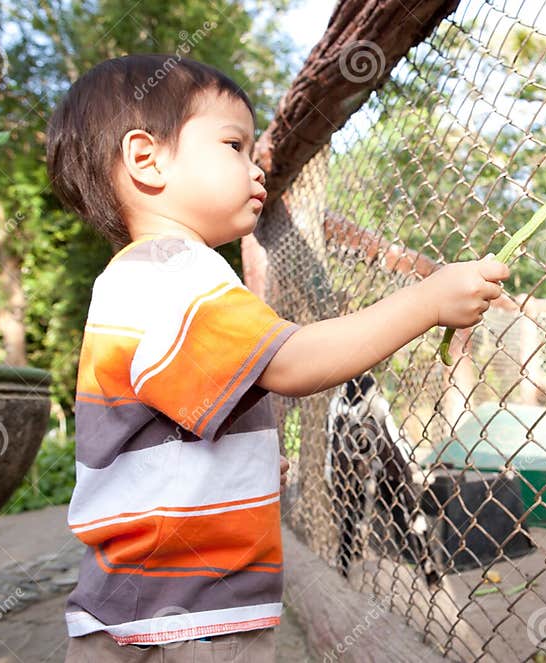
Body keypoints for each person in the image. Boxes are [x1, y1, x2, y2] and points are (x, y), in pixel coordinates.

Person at [46, 54, 509, 662]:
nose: (256, 166)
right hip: (186, 619)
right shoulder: (173, 272)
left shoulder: (142, 279)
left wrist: (240, 465)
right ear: (147, 159)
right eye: (233, 145)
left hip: (148, 609)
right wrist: (427, 301)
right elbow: (292, 363)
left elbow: (162, 435)